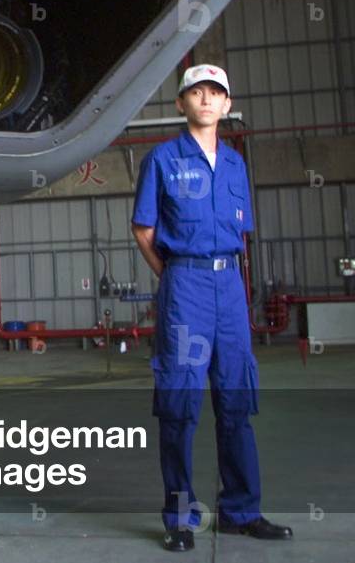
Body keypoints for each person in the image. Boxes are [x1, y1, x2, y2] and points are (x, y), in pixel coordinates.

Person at [131, 64, 293, 552]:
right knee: (180, 406)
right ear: (181, 104)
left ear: (227, 105)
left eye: (214, 93)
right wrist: (178, 276)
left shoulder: (237, 165)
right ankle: (181, 519)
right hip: (186, 285)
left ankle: (241, 510)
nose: (205, 99)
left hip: (231, 289)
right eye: (195, 92)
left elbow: (240, 232)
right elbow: (144, 230)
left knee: (236, 402)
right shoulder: (162, 159)